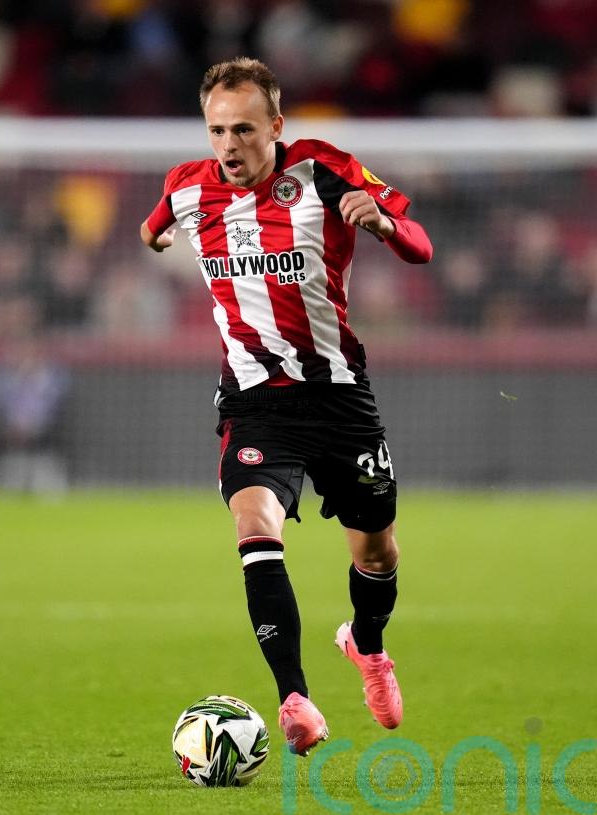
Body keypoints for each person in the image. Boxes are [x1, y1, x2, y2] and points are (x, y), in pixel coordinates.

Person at [141, 57, 433, 757]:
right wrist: (157, 236)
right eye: (217, 130)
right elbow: (152, 227)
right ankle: (294, 699)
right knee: (255, 526)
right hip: (253, 402)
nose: (229, 144)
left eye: (244, 129)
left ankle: (367, 645)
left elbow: (420, 246)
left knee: (377, 549)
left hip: (338, 396)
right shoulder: (186, 187)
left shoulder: (324, 169)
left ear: (276, 125)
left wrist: (384, 224)